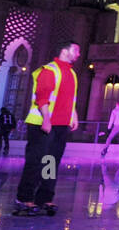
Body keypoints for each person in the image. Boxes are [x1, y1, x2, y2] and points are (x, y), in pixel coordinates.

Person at [12, 41, 81, 216]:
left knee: (50, 162)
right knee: (35, 161)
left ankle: (44, 197)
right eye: (76, 50)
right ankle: (24, 197)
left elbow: (69, 98)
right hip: (42, 124)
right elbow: (42, 97)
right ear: (65, 51)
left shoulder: (71, 73)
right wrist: (46, 119)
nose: (78, 54)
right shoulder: (49, 70)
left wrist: (73, 115)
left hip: (60, 125)